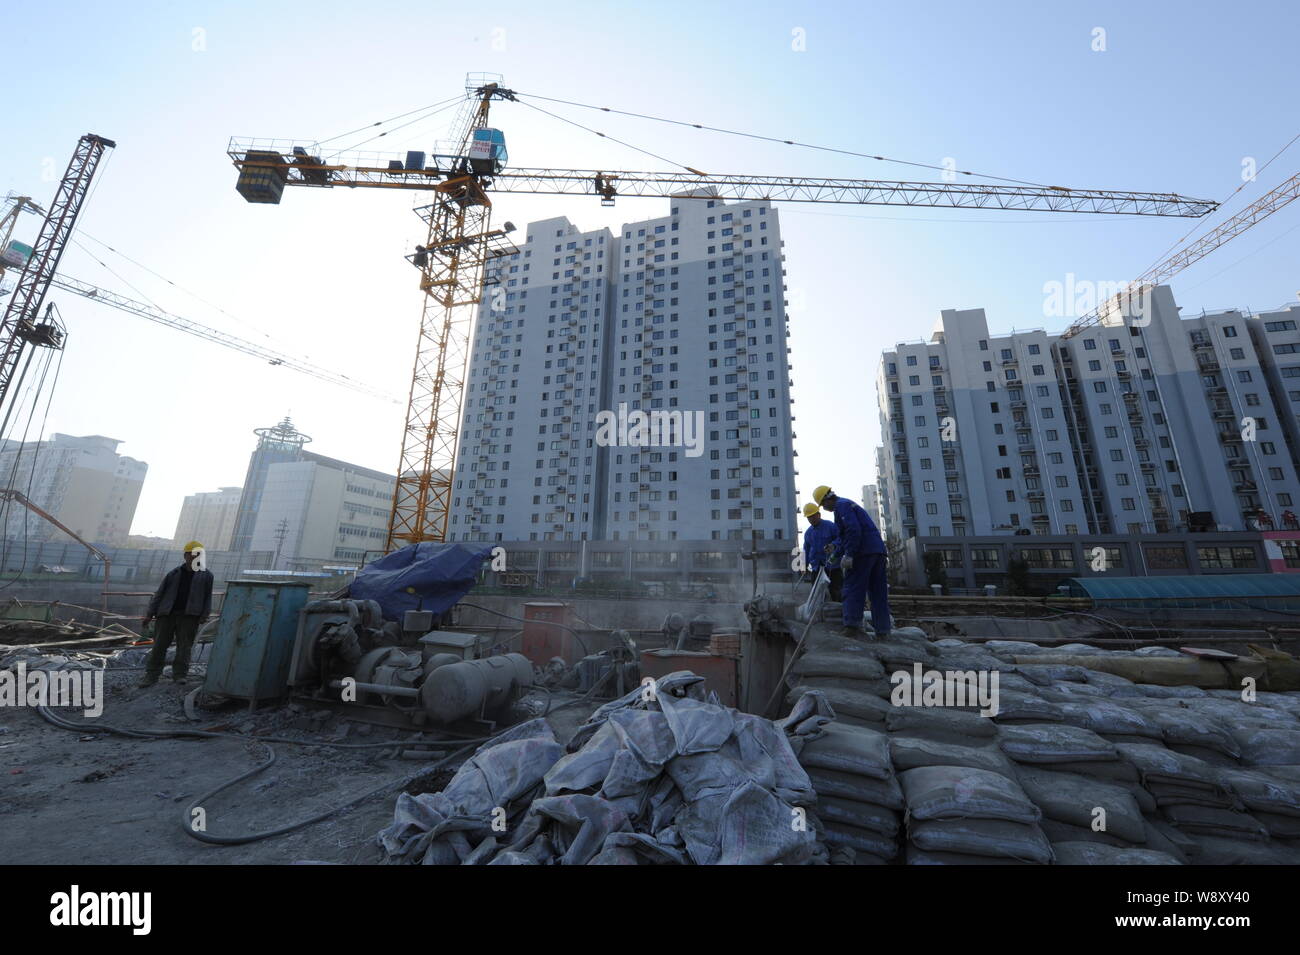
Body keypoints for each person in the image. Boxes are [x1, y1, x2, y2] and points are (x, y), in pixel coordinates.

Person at [813, 485, 890, 639]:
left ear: (827, 499)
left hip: (863, 553)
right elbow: (846, 535)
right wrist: (835, 550)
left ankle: (852, 627)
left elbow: (853, 531)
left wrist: (849, 555)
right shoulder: (847, 504)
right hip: (877, 551)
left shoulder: (841, 506)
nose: (824, 508)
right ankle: (883, 631)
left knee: (852, 588)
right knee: (877, 593)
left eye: (822, 505)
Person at [140, 541, 214, 687]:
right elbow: (159, 594)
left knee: (184, 647)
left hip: (189, 617)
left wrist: (204, 614)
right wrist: (150, 614)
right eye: (192, 555)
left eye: (198, 555)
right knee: (159, 646)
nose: (195, 558)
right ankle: (152, 675)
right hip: (167, 615)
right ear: (185, 555)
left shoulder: (206, 576)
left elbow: (207, 597)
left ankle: (180, 675)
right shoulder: (173, 574)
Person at [802, 501, 842, 601]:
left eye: (813, 516)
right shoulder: (808, 533)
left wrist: (833, 545)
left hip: (833, 567)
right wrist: (804, 565)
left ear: (818, 514)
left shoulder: (830, 526)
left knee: (837, 592)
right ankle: (820, 614)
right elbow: (806, 550)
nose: (811, 519)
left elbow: (841, 539)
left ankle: (840, 613)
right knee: (816, 594)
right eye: (809, 517)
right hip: (816, 568)